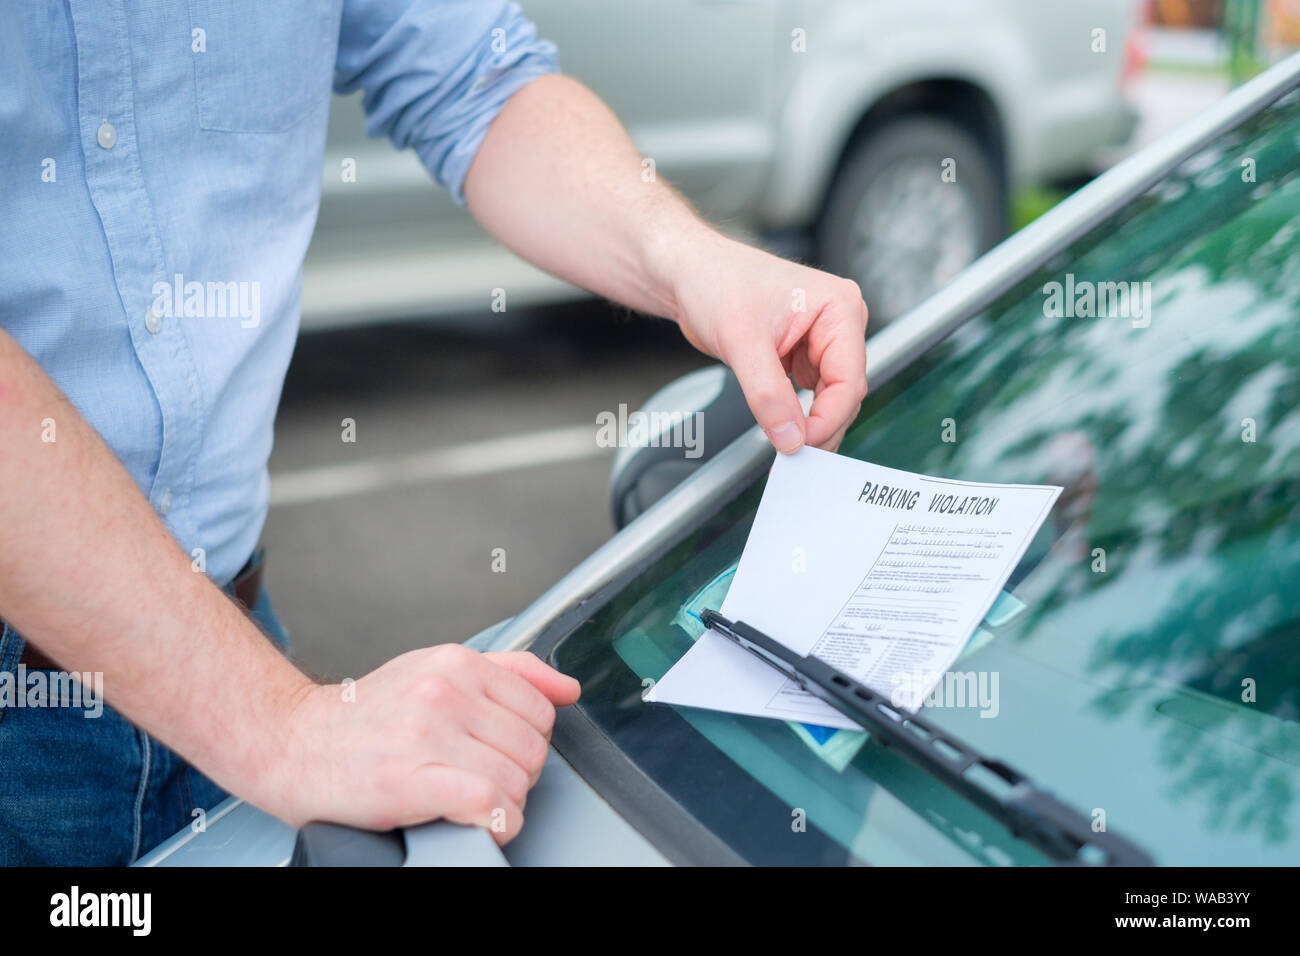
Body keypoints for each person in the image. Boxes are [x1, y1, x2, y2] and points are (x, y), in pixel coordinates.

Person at [0, 0, 868, 865]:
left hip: (234, 634)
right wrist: (277, 725)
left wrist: (693, 265)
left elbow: (475, 80)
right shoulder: (279, 729)